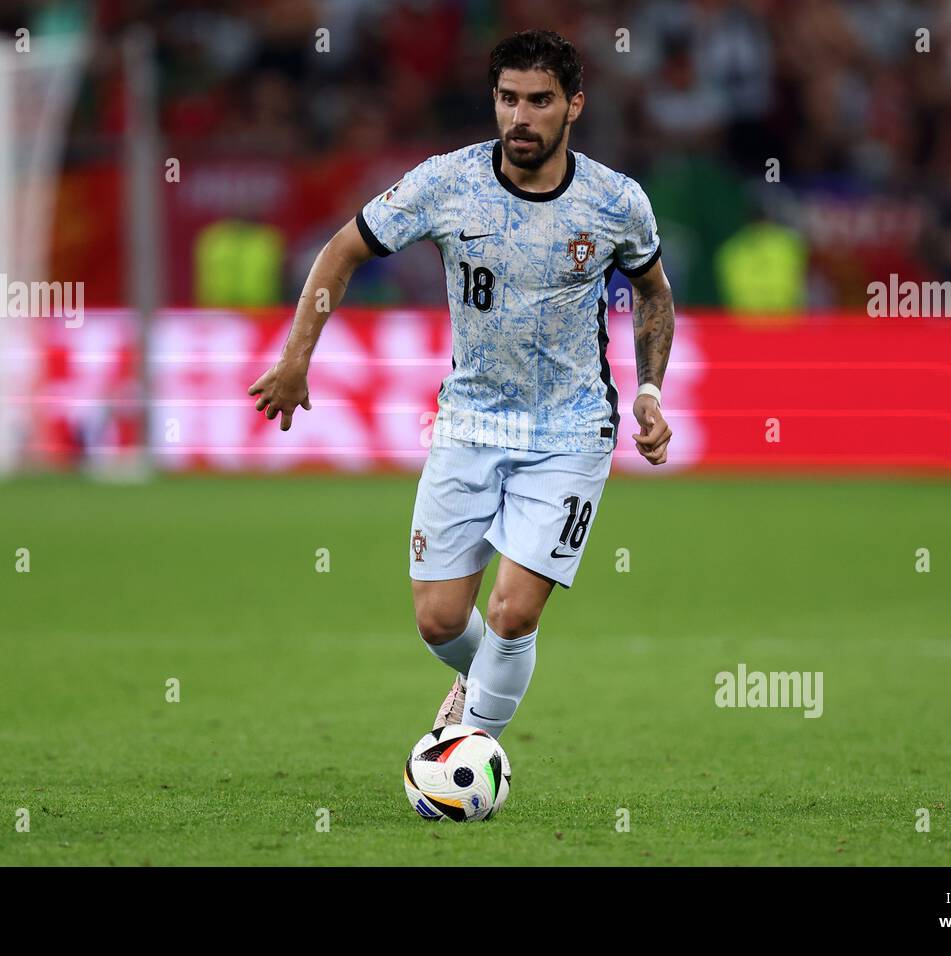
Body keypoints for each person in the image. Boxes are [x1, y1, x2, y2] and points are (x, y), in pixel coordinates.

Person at [248, 29, 675, 739]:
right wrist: (297, 358)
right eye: (508, 98)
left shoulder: (615, 202)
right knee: (441, 620)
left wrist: (650, 393)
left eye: (539, 101)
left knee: (512, 612)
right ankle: (477, 689)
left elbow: (654, 295)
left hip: (570, 431)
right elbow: (342, 250)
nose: (520, 117)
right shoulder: (446, 183)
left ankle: (466, 751)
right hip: (470, 424)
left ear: (574, 106)